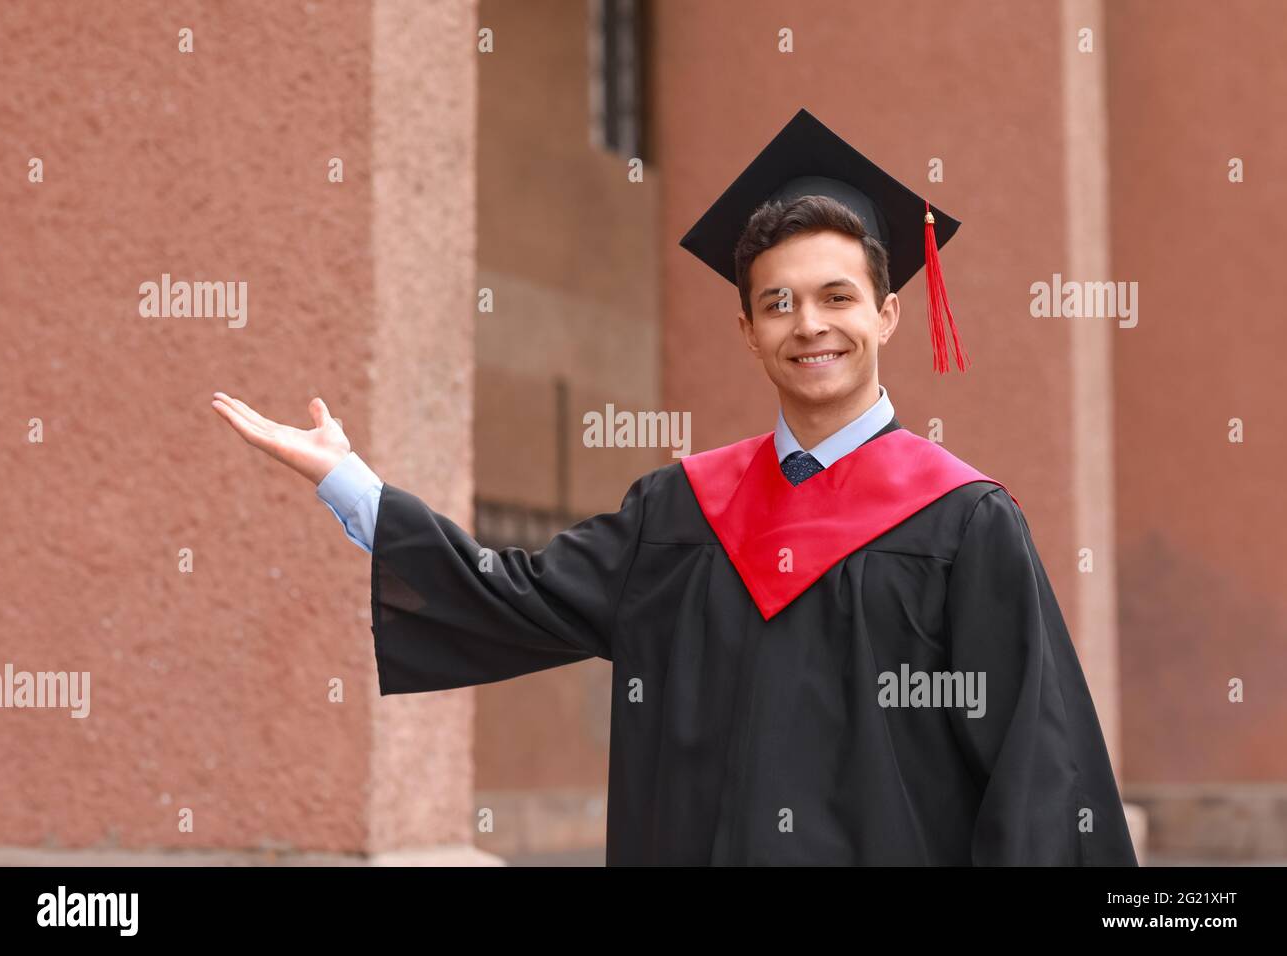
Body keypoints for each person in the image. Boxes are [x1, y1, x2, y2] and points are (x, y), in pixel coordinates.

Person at [211, 107, 1138, 866]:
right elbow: (512, 595)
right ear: (746, 330)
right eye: (778, 303)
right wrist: (352, 484)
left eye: (837, 297)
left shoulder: (962, 523)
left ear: (889, 313)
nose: (808, 324)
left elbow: (1037, 773)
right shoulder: (682, 512)